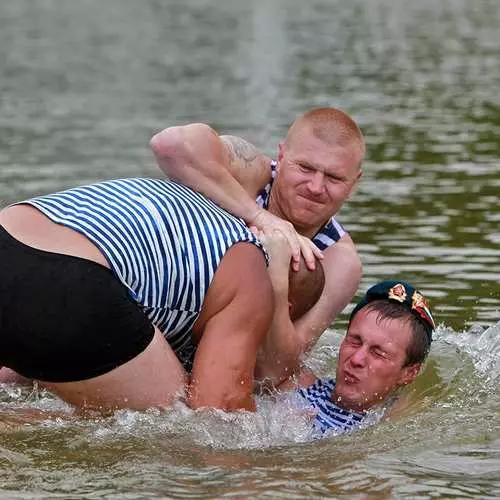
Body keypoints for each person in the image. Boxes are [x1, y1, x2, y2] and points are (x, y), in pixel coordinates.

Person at [0, 177, 275, 413]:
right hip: (70, 284)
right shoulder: (255, 270)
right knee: (179, 426)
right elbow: (217, 406)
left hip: (10, 233)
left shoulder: (193, 207)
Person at [149, 107, 366, 385]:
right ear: (282, 155)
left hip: (218, 358)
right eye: (305, 168)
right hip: (159, 316)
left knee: (302, 384)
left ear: (354, 183)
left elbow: (276, 371)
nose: (315, 186)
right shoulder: (250, 171)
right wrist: (259, 217)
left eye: (334, 178)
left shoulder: (340, 262)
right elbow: (168, 146)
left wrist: (277, 280)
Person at [282, 280, 436, 436]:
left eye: (378, 353)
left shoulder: (395, 432)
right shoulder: (293, 385)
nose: (356, 359)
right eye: (355, 341)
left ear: (409, 373)